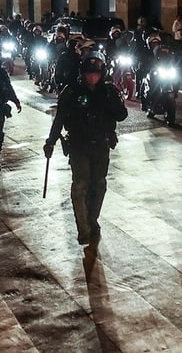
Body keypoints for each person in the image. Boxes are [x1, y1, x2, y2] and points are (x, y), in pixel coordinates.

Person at [43, 52, 128, 246]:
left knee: (98, 185)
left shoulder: (108, 91)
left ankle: (92, 220)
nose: (92, 77)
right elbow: (60, 119)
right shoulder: (71, 92)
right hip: (78, 146)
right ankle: (83, 228)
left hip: (101, 145)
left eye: (96, 73)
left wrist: (112, 99)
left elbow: (122, 115)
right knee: (80, 184)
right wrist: (51, 141)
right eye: (89, 73)